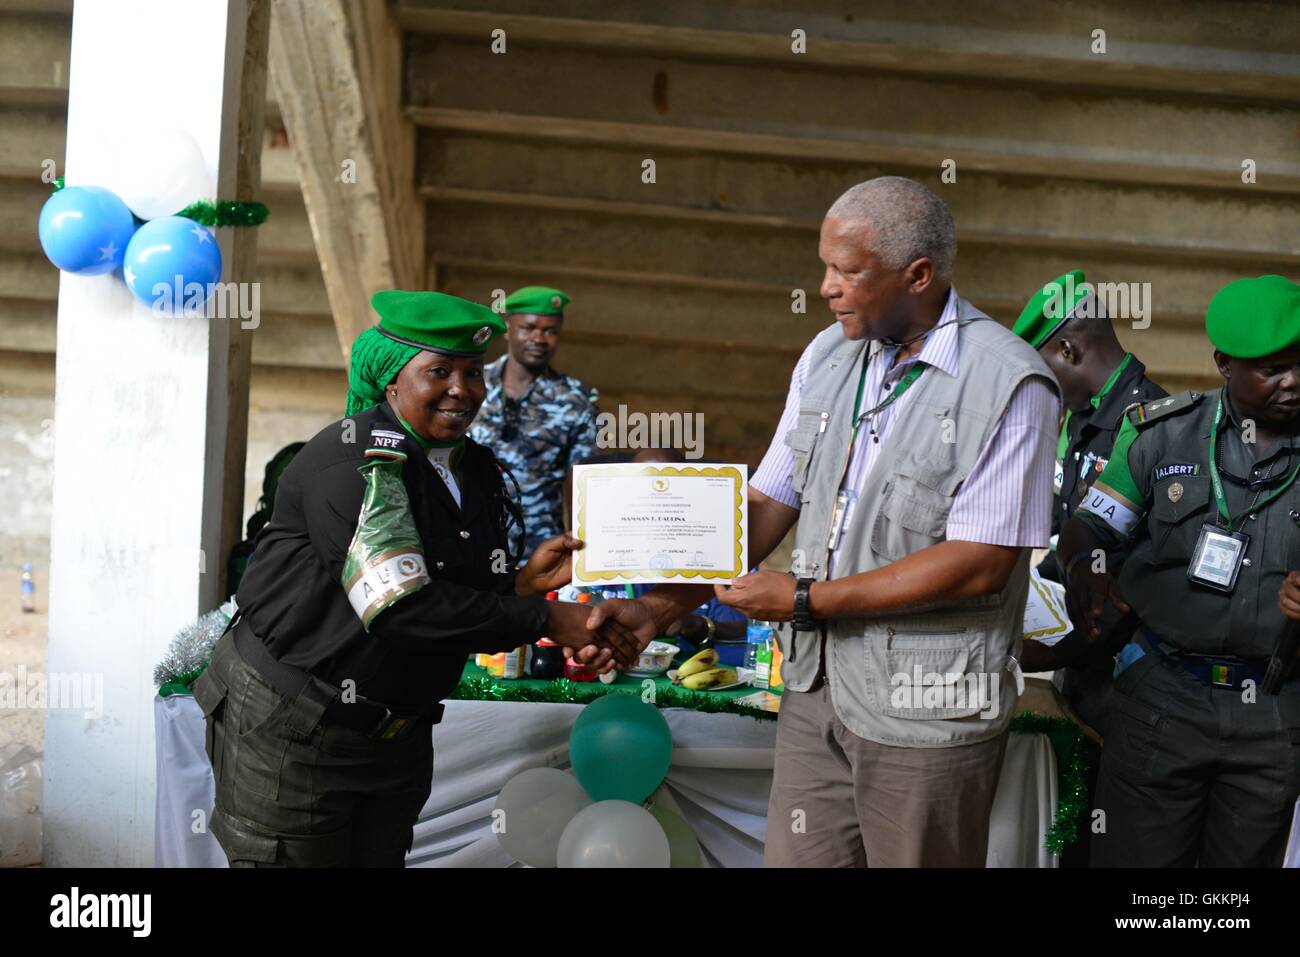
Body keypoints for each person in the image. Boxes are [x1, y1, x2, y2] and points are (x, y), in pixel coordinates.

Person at [586, 177, 1060, 866]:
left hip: (926, 709)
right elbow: (764, 506)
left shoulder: (1010, 383)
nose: (826, 287)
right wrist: (658, 609)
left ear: (918, 275)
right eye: (825, 266)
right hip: (815, 694)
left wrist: (805, 599)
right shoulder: (828, 356)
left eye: (848, 270)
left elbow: (982, 560)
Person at [191, 290, 636, 867]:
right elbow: (402, 606)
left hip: (394, 733)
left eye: (473, 373)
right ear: (391, 382)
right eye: (439, 371)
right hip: (293, 724)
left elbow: (450, 582)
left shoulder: (470, 465)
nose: (463, 389)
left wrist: (521, 586)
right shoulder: (355, 463)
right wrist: (551, 616)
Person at [1060, 274, 1300, 868]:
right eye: (1273, 370)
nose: (1294, 382)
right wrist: (1086, 566)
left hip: (1275, 706)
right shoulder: (1162, 435)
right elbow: (1092, 526)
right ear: (1224, 364)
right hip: (1163, 696)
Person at [1011, 269, 1166, 735]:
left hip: (1124, 666)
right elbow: (1066, 525)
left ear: (1068, 351)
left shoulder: (1150, 426)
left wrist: (1062, 651)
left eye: (1041, 372)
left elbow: (1149, 572)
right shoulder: (1084, 416)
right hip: (1079, 640)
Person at [469, 285, 599, 560]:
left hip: (536, 549)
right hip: (469, 538)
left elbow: (584, 485)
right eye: (528, 328)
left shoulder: (576, 401)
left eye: (550, 331)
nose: (539, 338)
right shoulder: (472, 382)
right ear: (508, 327)